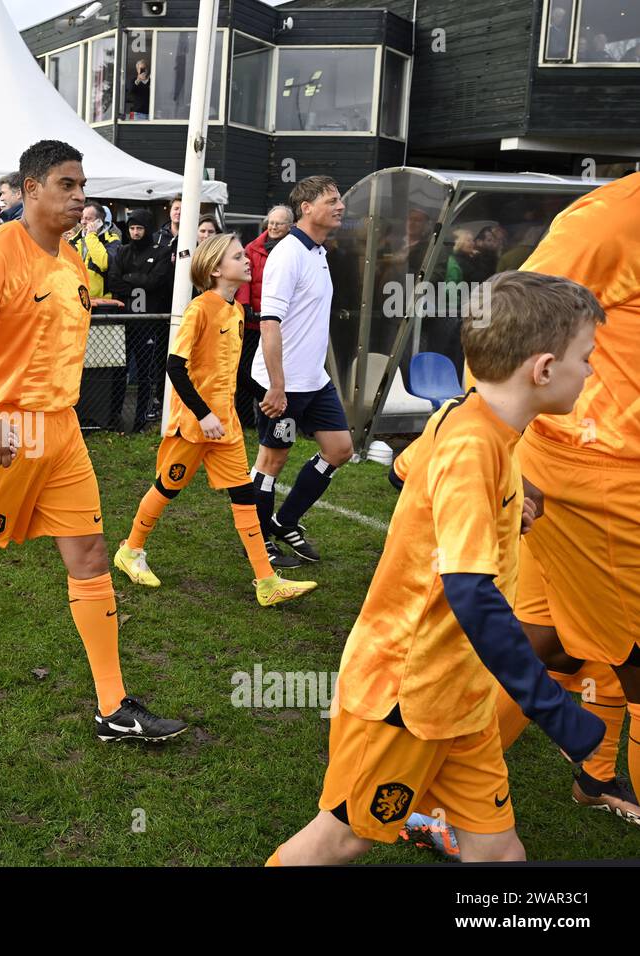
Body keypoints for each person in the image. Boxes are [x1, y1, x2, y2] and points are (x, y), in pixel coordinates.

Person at [269, 271, 606, 865]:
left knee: (500, 854)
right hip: (405, 695)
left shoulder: (468, 415)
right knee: (340, 836)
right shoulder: (473, 444)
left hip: (461, 698)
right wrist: (551, 710)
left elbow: (404, 471)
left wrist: (507, 499)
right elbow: (472, 594)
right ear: (545, 369)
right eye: (587, 357)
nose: (593, 371)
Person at [0, 139, 188, 742]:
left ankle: (113, 706)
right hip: (5, 433)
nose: (80, 197)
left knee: (92, 555)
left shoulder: (74, 261)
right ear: (30, 189)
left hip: (65, 430)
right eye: (67, 185)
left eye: (82, 186)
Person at [491, 176, 640, 826]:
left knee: (547, 642)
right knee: (632, 654)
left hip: (596, 466)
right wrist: (496, 442)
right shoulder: (608, 220)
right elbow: (514, 318)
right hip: (597, 471)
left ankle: (591, 775)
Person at [115, 233, 318, 606]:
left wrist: (266, 396)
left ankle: (266, 580)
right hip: (193, 426)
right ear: (214, 269)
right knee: (166, 489)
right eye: (239, 256)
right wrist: (203, 414)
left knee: (244, 496)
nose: (247, 261)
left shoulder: (237, 311)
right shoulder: (199, 309)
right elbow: (175, 368)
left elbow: (236, 371)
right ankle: (130, 550)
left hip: (226, 427)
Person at [248, 176, 353, 569]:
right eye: (331, 199)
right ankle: (257, 543)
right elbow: (270, 323)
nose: (340, 205)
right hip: (284, 383)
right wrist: (277, 387)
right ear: (307, 207)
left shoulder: (319, 251)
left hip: (314, 379)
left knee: (340, 450)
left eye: (339, 198)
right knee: (272, 462)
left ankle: (284, 520)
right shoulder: (288, 253)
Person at [106, 208, 172, 431]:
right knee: (118, 370)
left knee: (145, 373)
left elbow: (157, 281)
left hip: (148, 322)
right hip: (123, 321)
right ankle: (114, 415)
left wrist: (130, 279)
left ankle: (141, 419)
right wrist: (139, 281)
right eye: (132, 228)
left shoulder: (161, 252)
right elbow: (114, 281)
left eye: (139, 228)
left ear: (148, 229)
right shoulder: (123, 251)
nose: (135, 232)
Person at [236, 205, 293, 425]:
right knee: (245, 370)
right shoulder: (252, 248)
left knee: (275, 371)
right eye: (271, 222)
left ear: (289, 226)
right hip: (253, 322)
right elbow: (244, 278)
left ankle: (271, 415)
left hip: (278, 324)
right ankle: (244, 416)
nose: (274, 226)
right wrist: (245, 304)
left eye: (279, 223)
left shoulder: (292, 250)